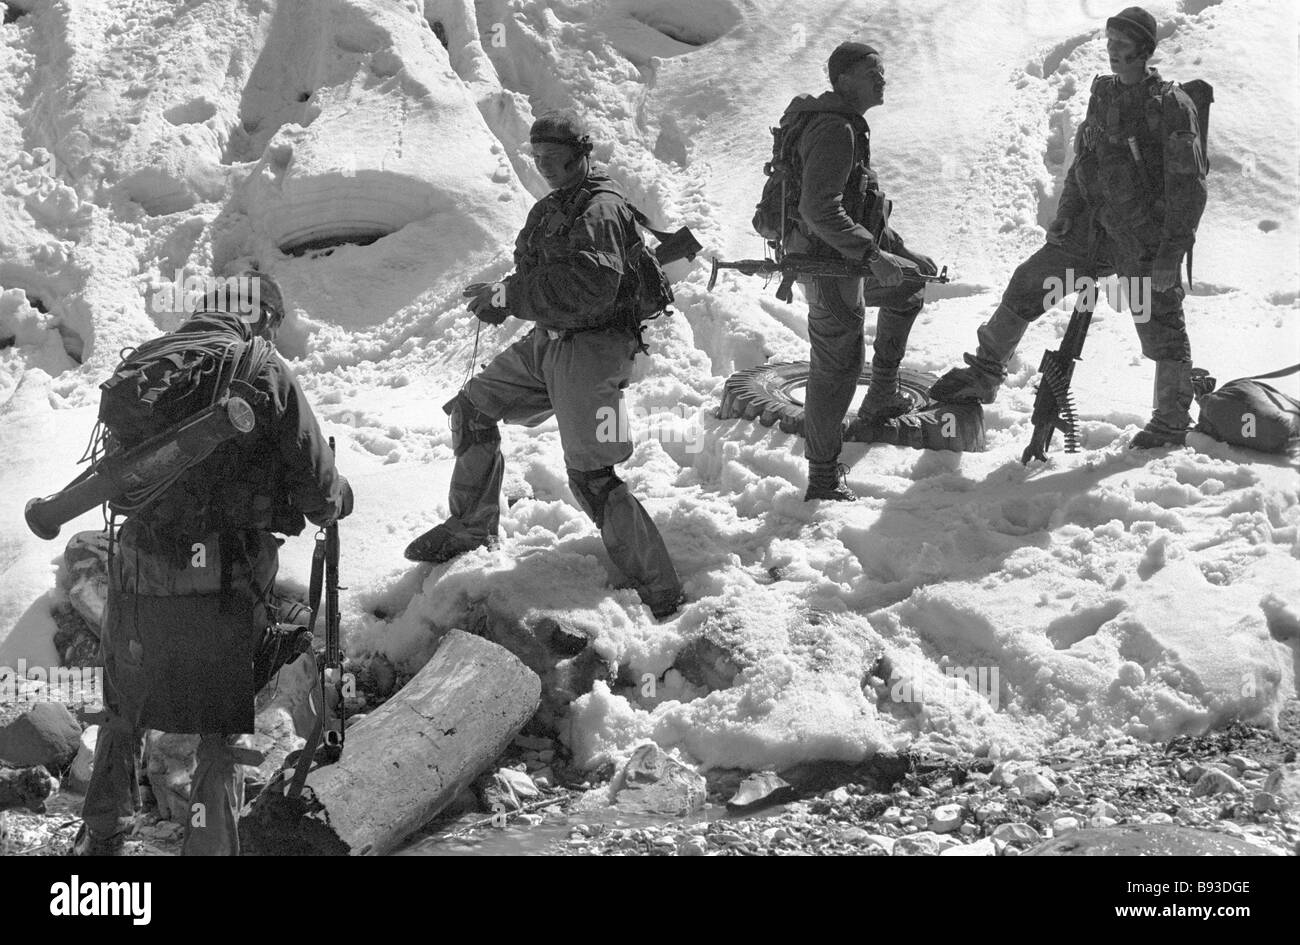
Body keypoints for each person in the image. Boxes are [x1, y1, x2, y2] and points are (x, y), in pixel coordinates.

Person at [75, 272, 352, 856]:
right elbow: (319, 492)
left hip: (138, 570)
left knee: (123, 709)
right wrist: (339, 495)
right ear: (265, 317)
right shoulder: (261, 367)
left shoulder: (151, 366)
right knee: (219, 731)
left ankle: (103, 837)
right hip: (224, 580)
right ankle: (208, 846)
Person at [403, 113, 684, 619]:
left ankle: (660, 590)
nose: (548, 169)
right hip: (551, 342)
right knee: (473, 407)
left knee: (593, 475)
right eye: (540, 160)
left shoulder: (599, 208)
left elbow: (591, 286)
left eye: (557, 160)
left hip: (596, 349)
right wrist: (502, 294)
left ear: (583, 154)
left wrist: (512, 295)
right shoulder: (554, 207)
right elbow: (541, 274)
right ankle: (471, 525)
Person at [928, 7, 1208, 450]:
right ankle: (984, 374)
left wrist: (1171, 254)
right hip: (1092, 230)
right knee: (1027, 282)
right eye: (1110, 42)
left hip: (1144, 240)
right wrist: (1067, 213)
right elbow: (1085, 161)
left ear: (1145, 50)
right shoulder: (1104, 94)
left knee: (1160, 324)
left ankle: (1171, 419)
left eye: (1123, 44)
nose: (1113, 52)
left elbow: (1188, 189)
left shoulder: (1171, 106)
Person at [786, 41, 939, 501]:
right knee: (837, 369)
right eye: (872, 70)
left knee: (908, 287)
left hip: (842, 259)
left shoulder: (846, 126)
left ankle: (884, 393)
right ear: (843, 79)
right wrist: (874, 257)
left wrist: (901, 252)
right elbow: (820, 211)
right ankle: (823, 478)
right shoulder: (836, 130)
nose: (882, 78)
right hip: (830, 268)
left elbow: (860, 205)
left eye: (882, 69)